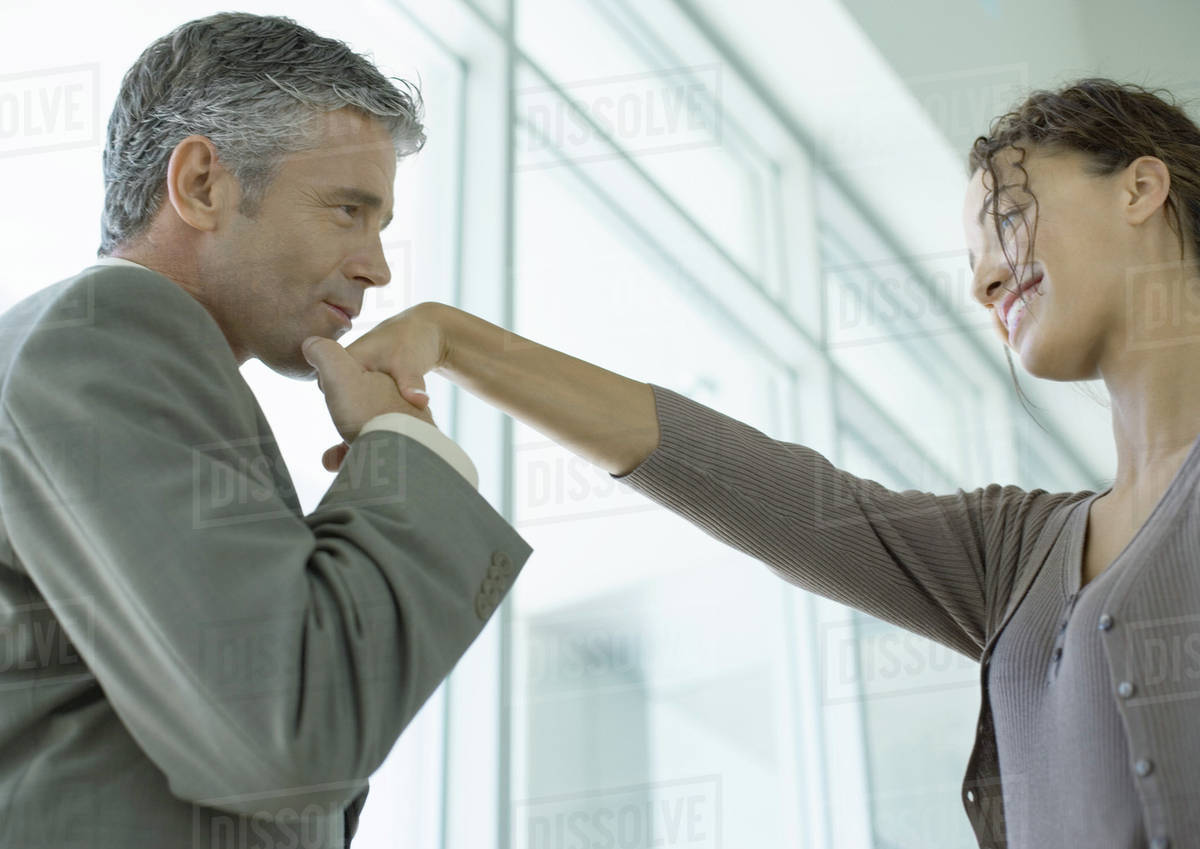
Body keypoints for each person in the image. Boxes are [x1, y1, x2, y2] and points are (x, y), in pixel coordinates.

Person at [336, 78, 1200, 849]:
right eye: (972, 262)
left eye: (1008, 217)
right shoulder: (1022, 552)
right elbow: (769, 490)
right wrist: (453, 339)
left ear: (1141, 186)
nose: (981, 284)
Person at [0, 12, 530, 849]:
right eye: (348, 210)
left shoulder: (129, 365)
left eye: (381, 225)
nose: (377, 266)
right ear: (204, 183)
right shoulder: (99, 338)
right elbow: (289, 732)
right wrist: (408, 460)